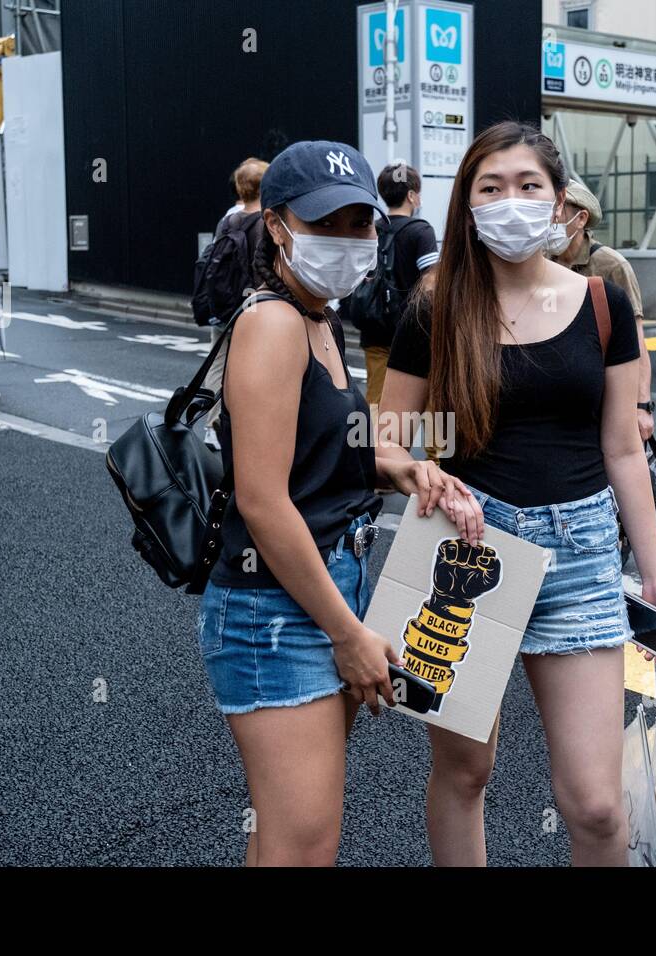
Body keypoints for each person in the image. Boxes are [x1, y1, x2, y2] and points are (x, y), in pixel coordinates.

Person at [378, 120, 656, 867]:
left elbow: (621, 447)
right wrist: (420, 470)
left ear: (558, 202)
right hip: (462, 549)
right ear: (466, 203)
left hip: (580, 552)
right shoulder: (434, 305)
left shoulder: (603, 304)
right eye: (491, 187)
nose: (510, 201)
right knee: (463, 771)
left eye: (528, 186)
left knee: (598, 806)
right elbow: (384, 438)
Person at [197, 140, 461, 866]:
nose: (350, 241)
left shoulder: (319, 317)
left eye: (360, 224)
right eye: (327, 224)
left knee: (284, 834)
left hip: (320, 584)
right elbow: (263, 499)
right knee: (306, 843)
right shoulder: (274, 324)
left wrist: (400, 471)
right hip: (275, 608)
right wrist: (347, 633)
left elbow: (320, 456)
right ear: (278, 226)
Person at [548, 178, 656, 440]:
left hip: (605, 392)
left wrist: (642, 406)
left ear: (581, 219)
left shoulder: (612, 266)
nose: (550, 220)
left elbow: (637, 342)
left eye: (558, 211)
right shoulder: (540, 262)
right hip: (558, 392)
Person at [347, 162, 438, 407]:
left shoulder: (371, 228)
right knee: (432, 403)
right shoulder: (421, 231)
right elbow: (431, 282)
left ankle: (376, 445)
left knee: (376, 397)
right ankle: (438, 447)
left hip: (375, 329)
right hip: (414, 330)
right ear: (411, 196)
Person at [201, 158, 268, 446]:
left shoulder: (228, 220)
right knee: (255, 367)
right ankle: (247, 425)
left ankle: (211, 424)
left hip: (225, 306)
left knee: (218, 364)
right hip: (255, 307)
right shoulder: (268, 222)